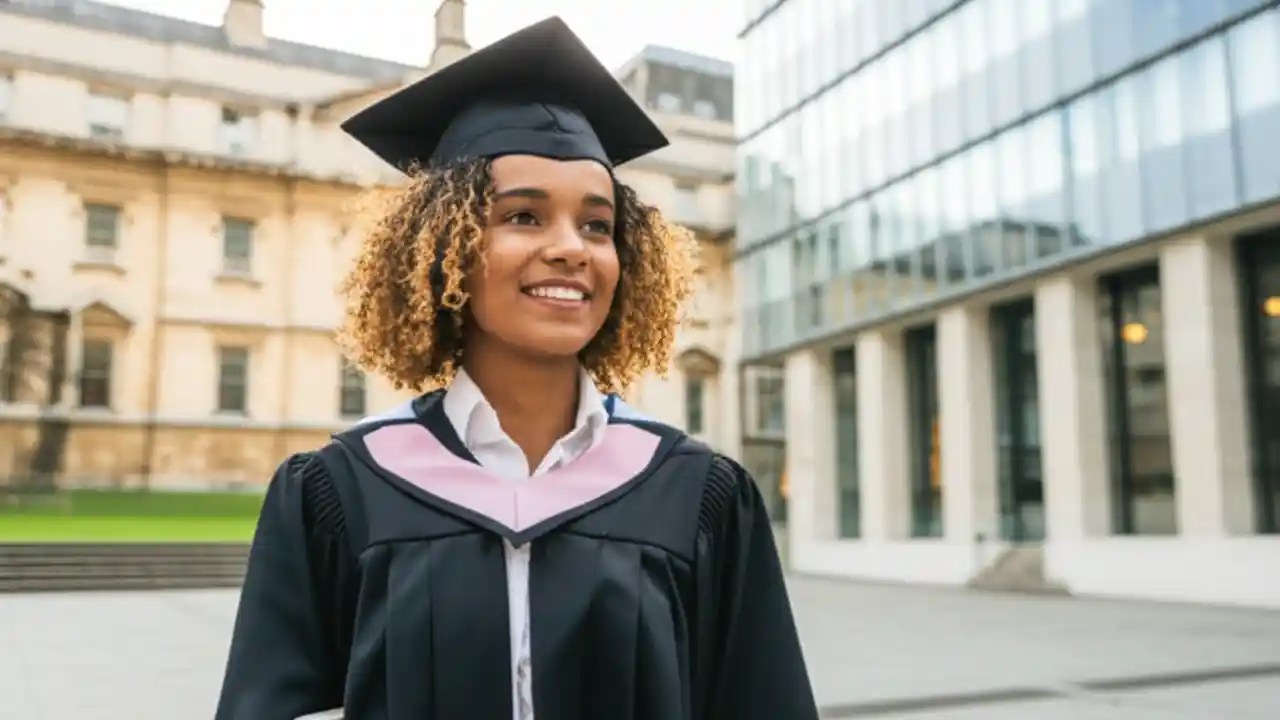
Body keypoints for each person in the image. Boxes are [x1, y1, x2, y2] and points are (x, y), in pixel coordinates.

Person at [214, 16, 818, 720]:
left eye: (597, 226)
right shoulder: (339, 495)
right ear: (446, 247)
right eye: (524, 216)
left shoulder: (699, 498)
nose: (572, 248)